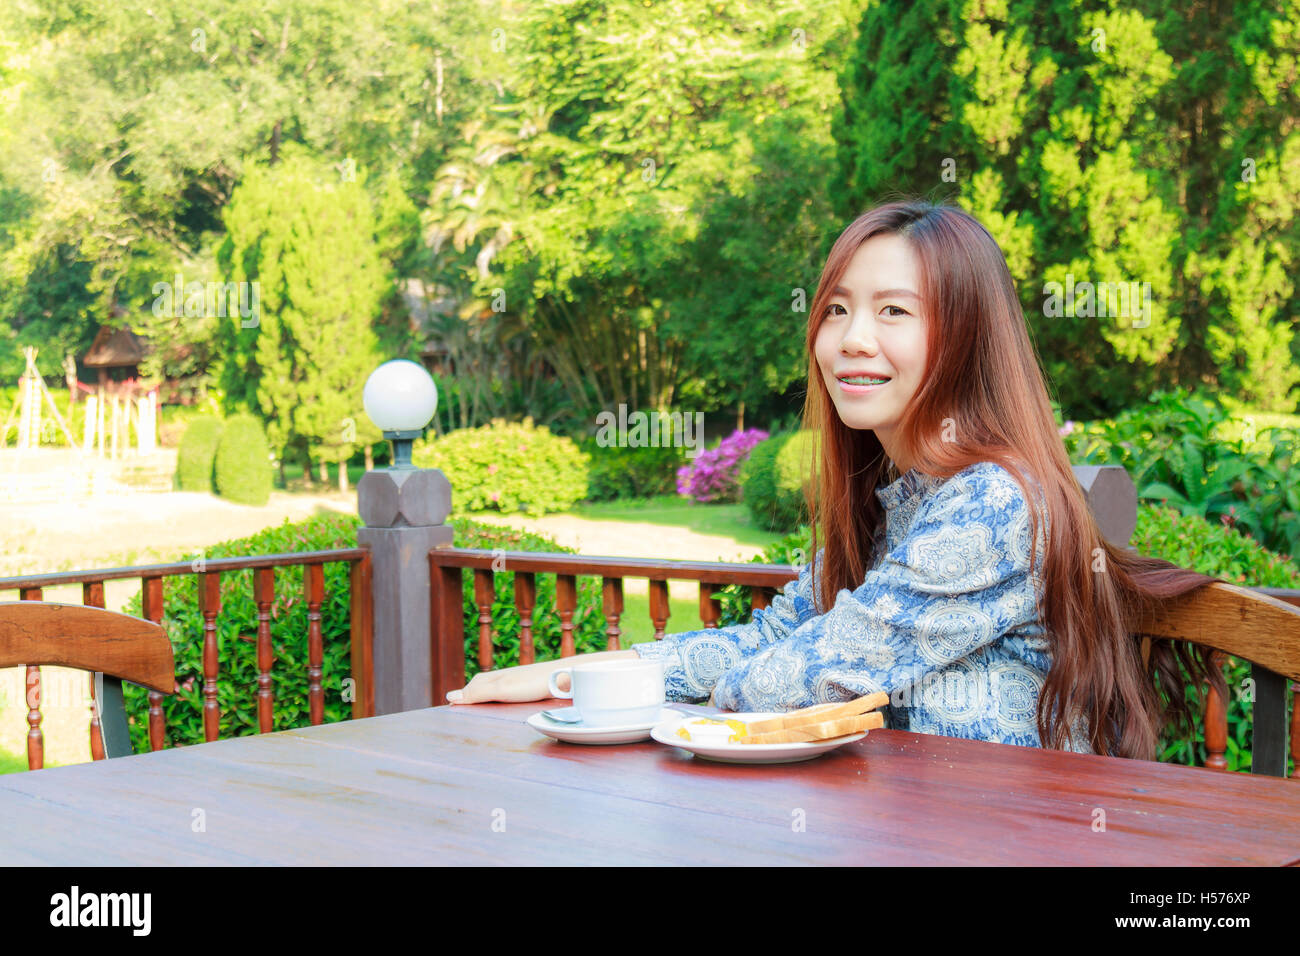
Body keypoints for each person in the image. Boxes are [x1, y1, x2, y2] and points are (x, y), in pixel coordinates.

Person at [447, 198, 1225, 761]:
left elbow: (797, 677)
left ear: (965, 336)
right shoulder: (901, 500)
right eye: (837, 310)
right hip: (895, 829)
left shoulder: (996, 505)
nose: (853, 340)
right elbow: (775, 639)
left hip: (1006, 840)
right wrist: (569, 675)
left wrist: (656, 695)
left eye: (895, 311)